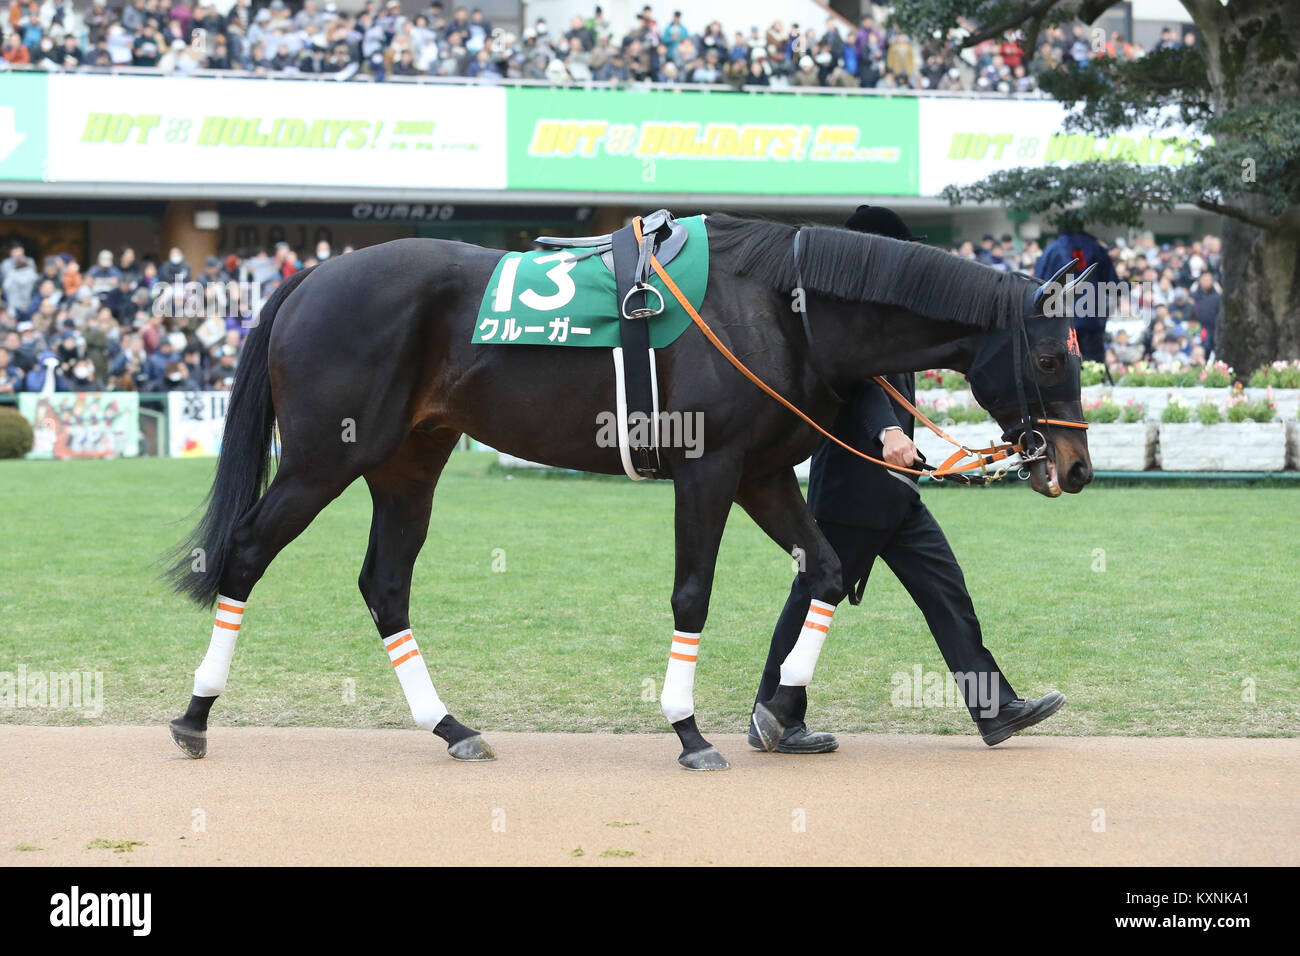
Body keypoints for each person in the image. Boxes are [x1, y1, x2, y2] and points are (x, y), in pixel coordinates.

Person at [750, 205, 1066, 753]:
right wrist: (890, 431)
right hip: (855, 487)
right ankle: (773, 713)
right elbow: (858, 386)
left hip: (892, 490)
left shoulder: (884, 313)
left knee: (945, 592)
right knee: (815, 592)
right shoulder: (842, 316)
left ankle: (993, 708)